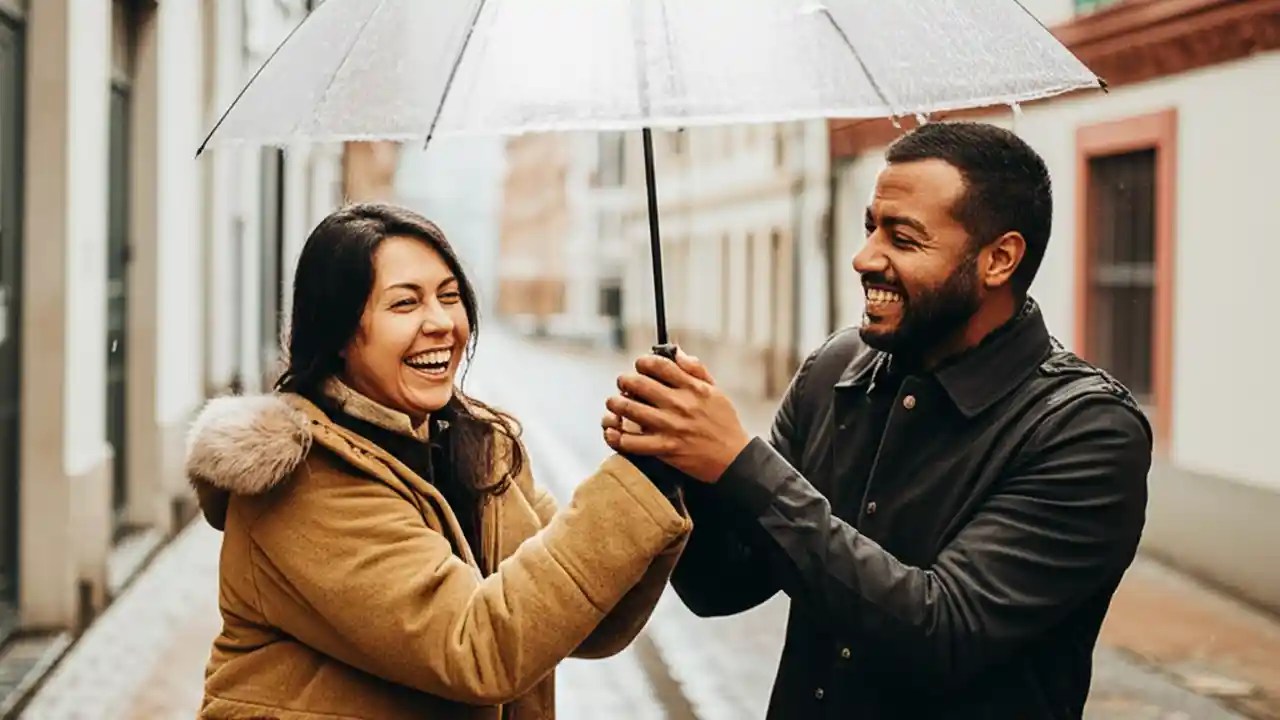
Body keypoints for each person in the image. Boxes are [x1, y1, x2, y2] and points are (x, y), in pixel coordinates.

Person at [602, 121, 1152, 718]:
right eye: (870, 228)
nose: (865, 258)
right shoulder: (836, 370)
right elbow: (722, 586)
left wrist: (738, 463)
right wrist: (680, 462)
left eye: (903, 239)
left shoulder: (1086, 432)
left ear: (998, 260)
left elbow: (941, 634)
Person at [186, 202, 691, 719]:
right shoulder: (303, 482)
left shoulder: (481, 451)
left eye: (449, 296)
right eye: (405, 303)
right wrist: (631, 486)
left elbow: (582, 618)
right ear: (339, 334)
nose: (441, 323)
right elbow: (477, 649)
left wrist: (655, 474)